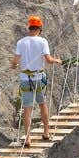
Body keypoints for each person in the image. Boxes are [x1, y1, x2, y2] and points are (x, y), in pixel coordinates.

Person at [11, 14, 62, 147]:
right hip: (39, 77)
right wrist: (57, 60)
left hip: (25, 79)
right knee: (42, 104)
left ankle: (27, 138)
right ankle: (46, 132)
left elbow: (15, 61)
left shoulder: (21, 42)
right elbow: (48, 60)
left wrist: (14, 66)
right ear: (40, 28)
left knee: (27, 108)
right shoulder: (42, 41)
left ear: (30, 28)